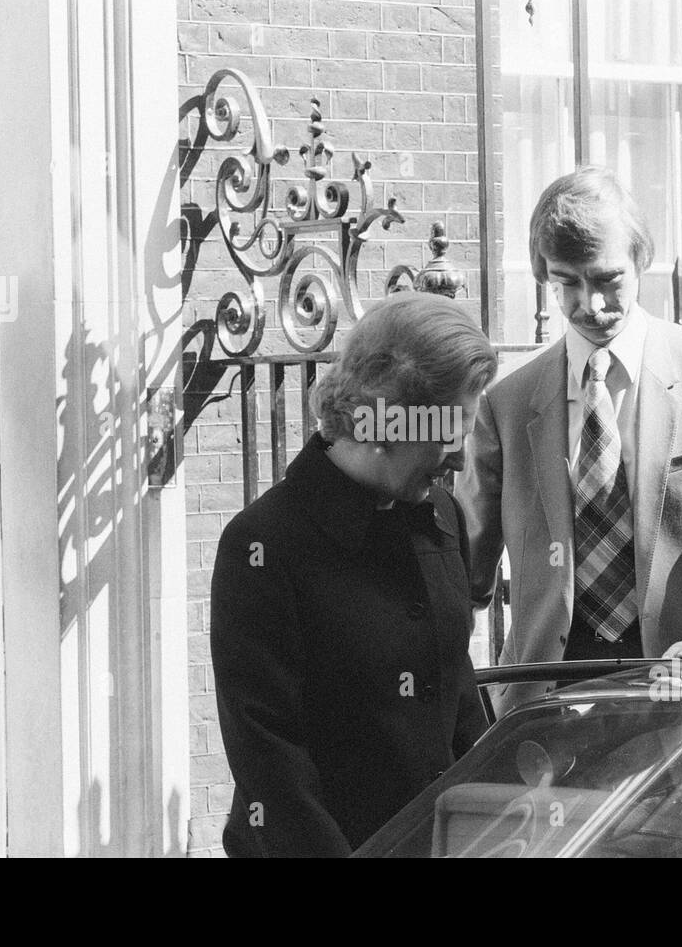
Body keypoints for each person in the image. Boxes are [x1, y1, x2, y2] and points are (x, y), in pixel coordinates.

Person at [454, 166, 682, 716]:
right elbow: (464, 574)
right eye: (566, 282)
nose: (589, 304)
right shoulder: (506, 402)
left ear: (641, 261)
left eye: (606, 279)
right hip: (545, 711)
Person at [211, 291, 498, 857]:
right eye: (449, 430)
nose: (462, 457)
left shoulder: (442, 517)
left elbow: (459, 701)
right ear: (386, 417)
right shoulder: (262, 544)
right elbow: (271, 764)